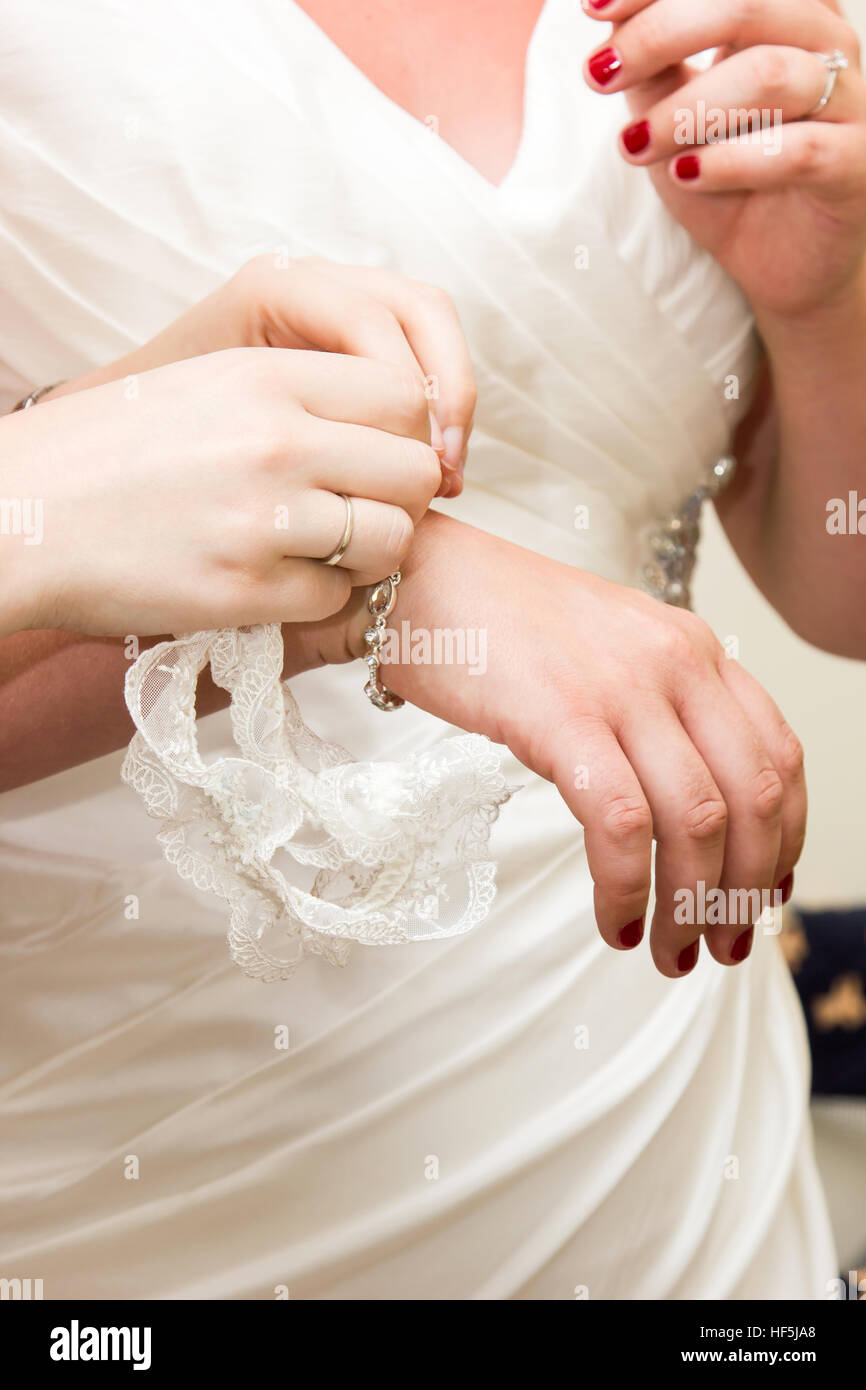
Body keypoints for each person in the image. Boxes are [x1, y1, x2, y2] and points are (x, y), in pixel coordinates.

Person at [1, 0, 864, 1298]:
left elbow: (835, 595)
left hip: (677, 1134)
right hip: (172, 1147)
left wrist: (829, 300)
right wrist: (378, 576)